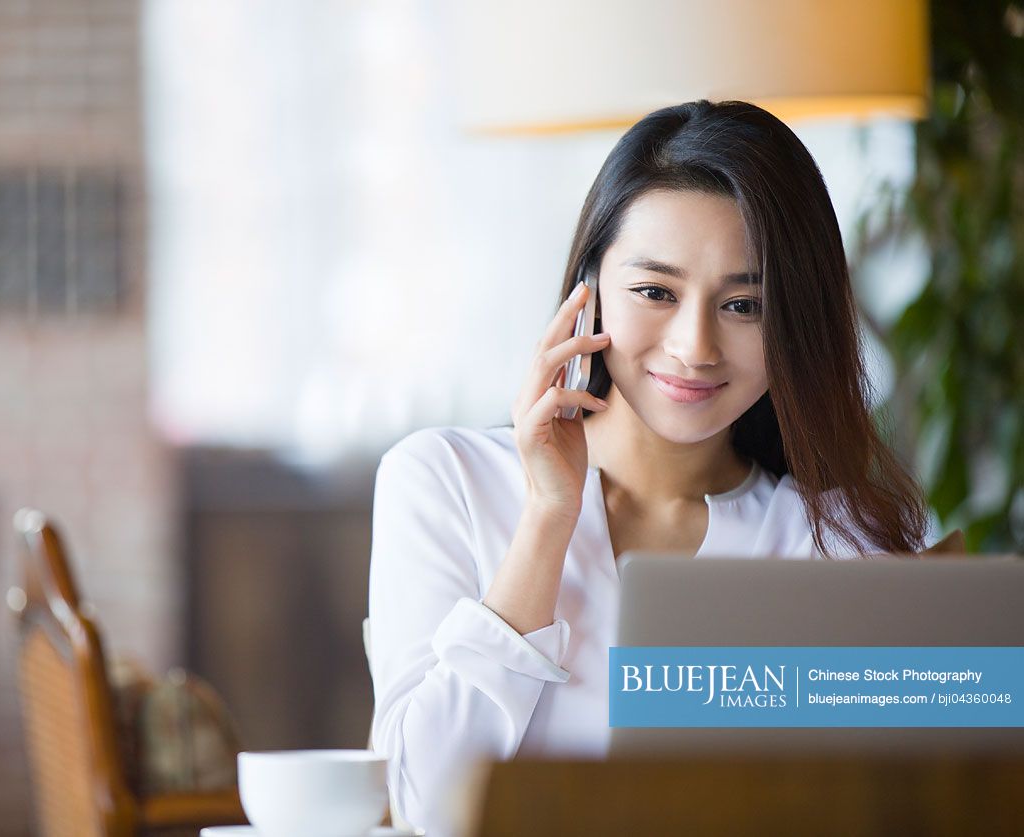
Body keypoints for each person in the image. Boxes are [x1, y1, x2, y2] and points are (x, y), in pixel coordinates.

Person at [366, 99, 936, 835]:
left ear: (797, 322)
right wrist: (547, 515)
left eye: (743, 304)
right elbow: (427, 806)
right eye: (655, 292)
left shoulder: (832, 541)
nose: (694, 346)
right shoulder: (442, 480)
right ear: (587, 291)